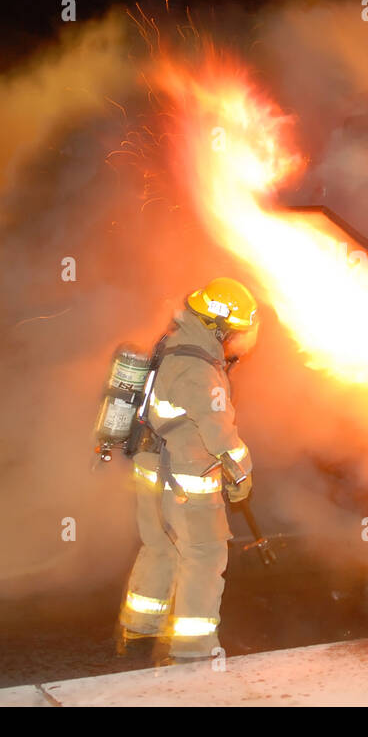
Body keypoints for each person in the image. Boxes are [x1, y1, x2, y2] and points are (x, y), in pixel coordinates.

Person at [116, 277, 259, 661]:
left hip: (152, 469)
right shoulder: (198, 368)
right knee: (204, 556)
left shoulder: (173, 347)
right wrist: (242, 472)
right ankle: (194, 648)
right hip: (184, 477)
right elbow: (219, 431)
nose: (236, 339)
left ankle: (139, 631)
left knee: (160, 547)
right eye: (234, 331)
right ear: (219, 325)